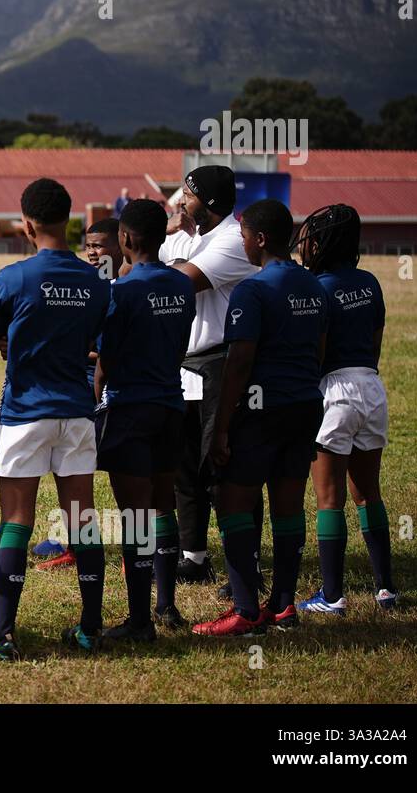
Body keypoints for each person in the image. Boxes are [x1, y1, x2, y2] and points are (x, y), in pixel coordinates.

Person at [0, 178, 110, 659]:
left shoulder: (14, 277)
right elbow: (96, 338)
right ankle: (91, 628)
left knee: (17, 522)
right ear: (69, 220)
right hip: (76, 411)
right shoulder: (96, 280)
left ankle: (1, 633)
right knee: (83, 520)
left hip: (26, 412)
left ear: (28, 223)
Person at [195, 199, 328, 636]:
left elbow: (238, 361)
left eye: (245, 235)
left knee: (235, 502)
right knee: (288, 505)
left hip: (260, 409)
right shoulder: (314, 287)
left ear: (262, 238)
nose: (243, 243)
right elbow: (320, 350)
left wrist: (222, 428)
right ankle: (285, 607)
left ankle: (247, 611)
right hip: (306, 405)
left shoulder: (254, 289)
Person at [94, 199, 195, 638]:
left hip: (130, 409)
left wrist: (98, 391)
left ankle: (138, 621)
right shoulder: (183, 286)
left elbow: (107, 357)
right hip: (172, 405)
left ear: (126, 240)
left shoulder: (122, 292)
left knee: (134, 516)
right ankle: (166, 605)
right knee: (163, 506)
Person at [292, 204, 397, 614]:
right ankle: (385, 588)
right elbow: (375, 343)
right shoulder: (370, 283)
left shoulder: (315, 287)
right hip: (371, 385)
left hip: (333, 389)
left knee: (328, 498)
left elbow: (315, 352)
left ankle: (332, 595)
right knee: (368, 492)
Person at [160, 166, 258, 586]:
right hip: (188, 365)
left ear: (210, 202)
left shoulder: (233, 240)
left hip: (221, 364)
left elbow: (181, 281)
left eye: (188, 194)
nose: (182, 200)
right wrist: (165, 232)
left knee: (225, 471)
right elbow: (157, 254)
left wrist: (144, 269)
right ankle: (194, 558)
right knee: (185, 470)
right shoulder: (197, 237)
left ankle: (246, 567)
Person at [36, 216, 127, 569]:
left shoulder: (124, 286)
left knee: (121, 471)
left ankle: (133, 551)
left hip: (114, 388)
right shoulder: (84, 283)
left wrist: (76, 348)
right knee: (71, 466)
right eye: (88, 246)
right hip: (76, 383)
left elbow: (113, 348)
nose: (92, 253)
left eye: (100, 245)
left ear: (122, 243)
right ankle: (72, 542)